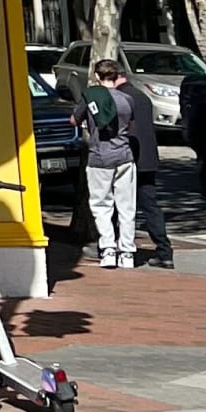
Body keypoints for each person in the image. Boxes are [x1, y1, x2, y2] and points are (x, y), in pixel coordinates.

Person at [71, 58, 137, 269]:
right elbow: (131, 124)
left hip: (99, 157)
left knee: (101, 206)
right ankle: (127, 252)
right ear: (117, 76)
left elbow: (73, 120)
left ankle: (108, 249)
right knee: (127, 207)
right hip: (125, 156)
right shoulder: (127, 99)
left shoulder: (91, 98)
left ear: (97, 76)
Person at [120, 74, 173, 269]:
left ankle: (120, 249)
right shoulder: (142, 96)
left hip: (127, 157)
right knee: (150, 206)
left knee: (122, 207)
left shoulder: (119, 97)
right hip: (148, 158)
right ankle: (164, 251)